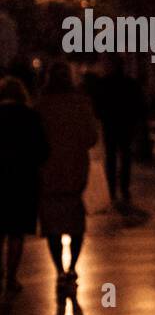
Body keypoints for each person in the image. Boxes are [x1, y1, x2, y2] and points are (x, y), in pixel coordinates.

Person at [37, 59, 98, 292]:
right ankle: (72, 265)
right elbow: (91, 137)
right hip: (75, 171)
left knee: (52, 225)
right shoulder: (80, 103)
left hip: (48, 172)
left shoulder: (42, 105)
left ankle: (58, 270)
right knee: (75, 223)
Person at [0, 76, 48, 296]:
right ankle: (11, 277)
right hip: (22, 180)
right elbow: (42, 151)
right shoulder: (31, 117)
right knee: (16, 232)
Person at [92, 56, 145, 209]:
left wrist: (102, 116)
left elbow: (97, 105)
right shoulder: (130, 84)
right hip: (125, 124)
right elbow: (138, 104)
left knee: (111, 156)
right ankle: (124, 187)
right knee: (125, 155)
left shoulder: (104, 84)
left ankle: (112, 188)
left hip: (111, 124)